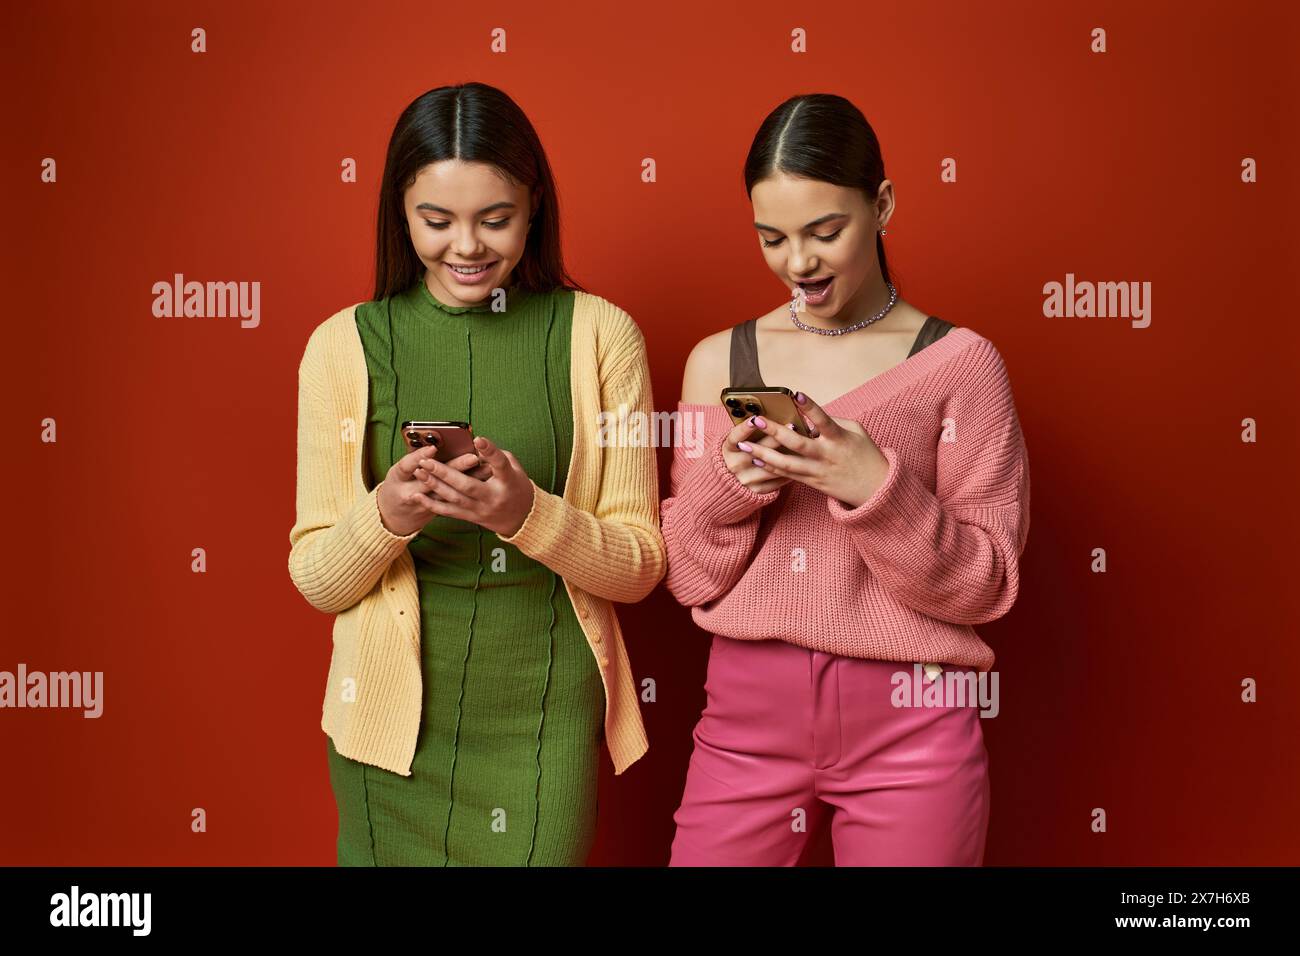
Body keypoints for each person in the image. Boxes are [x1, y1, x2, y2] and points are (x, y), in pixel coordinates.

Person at [288, 82, 664, 866]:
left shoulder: (601, 336)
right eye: (438, 221)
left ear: (535, 205)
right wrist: (385, 516)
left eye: (495, 219)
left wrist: (525, 513)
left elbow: (640, 568)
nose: (467, 246)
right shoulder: (341, 347)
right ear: (400, 212)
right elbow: (318, 579)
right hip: (388, 740)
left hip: (542, 722)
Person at [661, 93, 1031, 866]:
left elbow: (986, 586)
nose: (799, 263)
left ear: (883, 204)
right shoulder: (718, 362)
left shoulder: (962, 364)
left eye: (826, 232)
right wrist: (732, 487)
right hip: (746, 717)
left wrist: (872, 485)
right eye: (773, 238)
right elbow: (691, 576)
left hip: (914, 718)